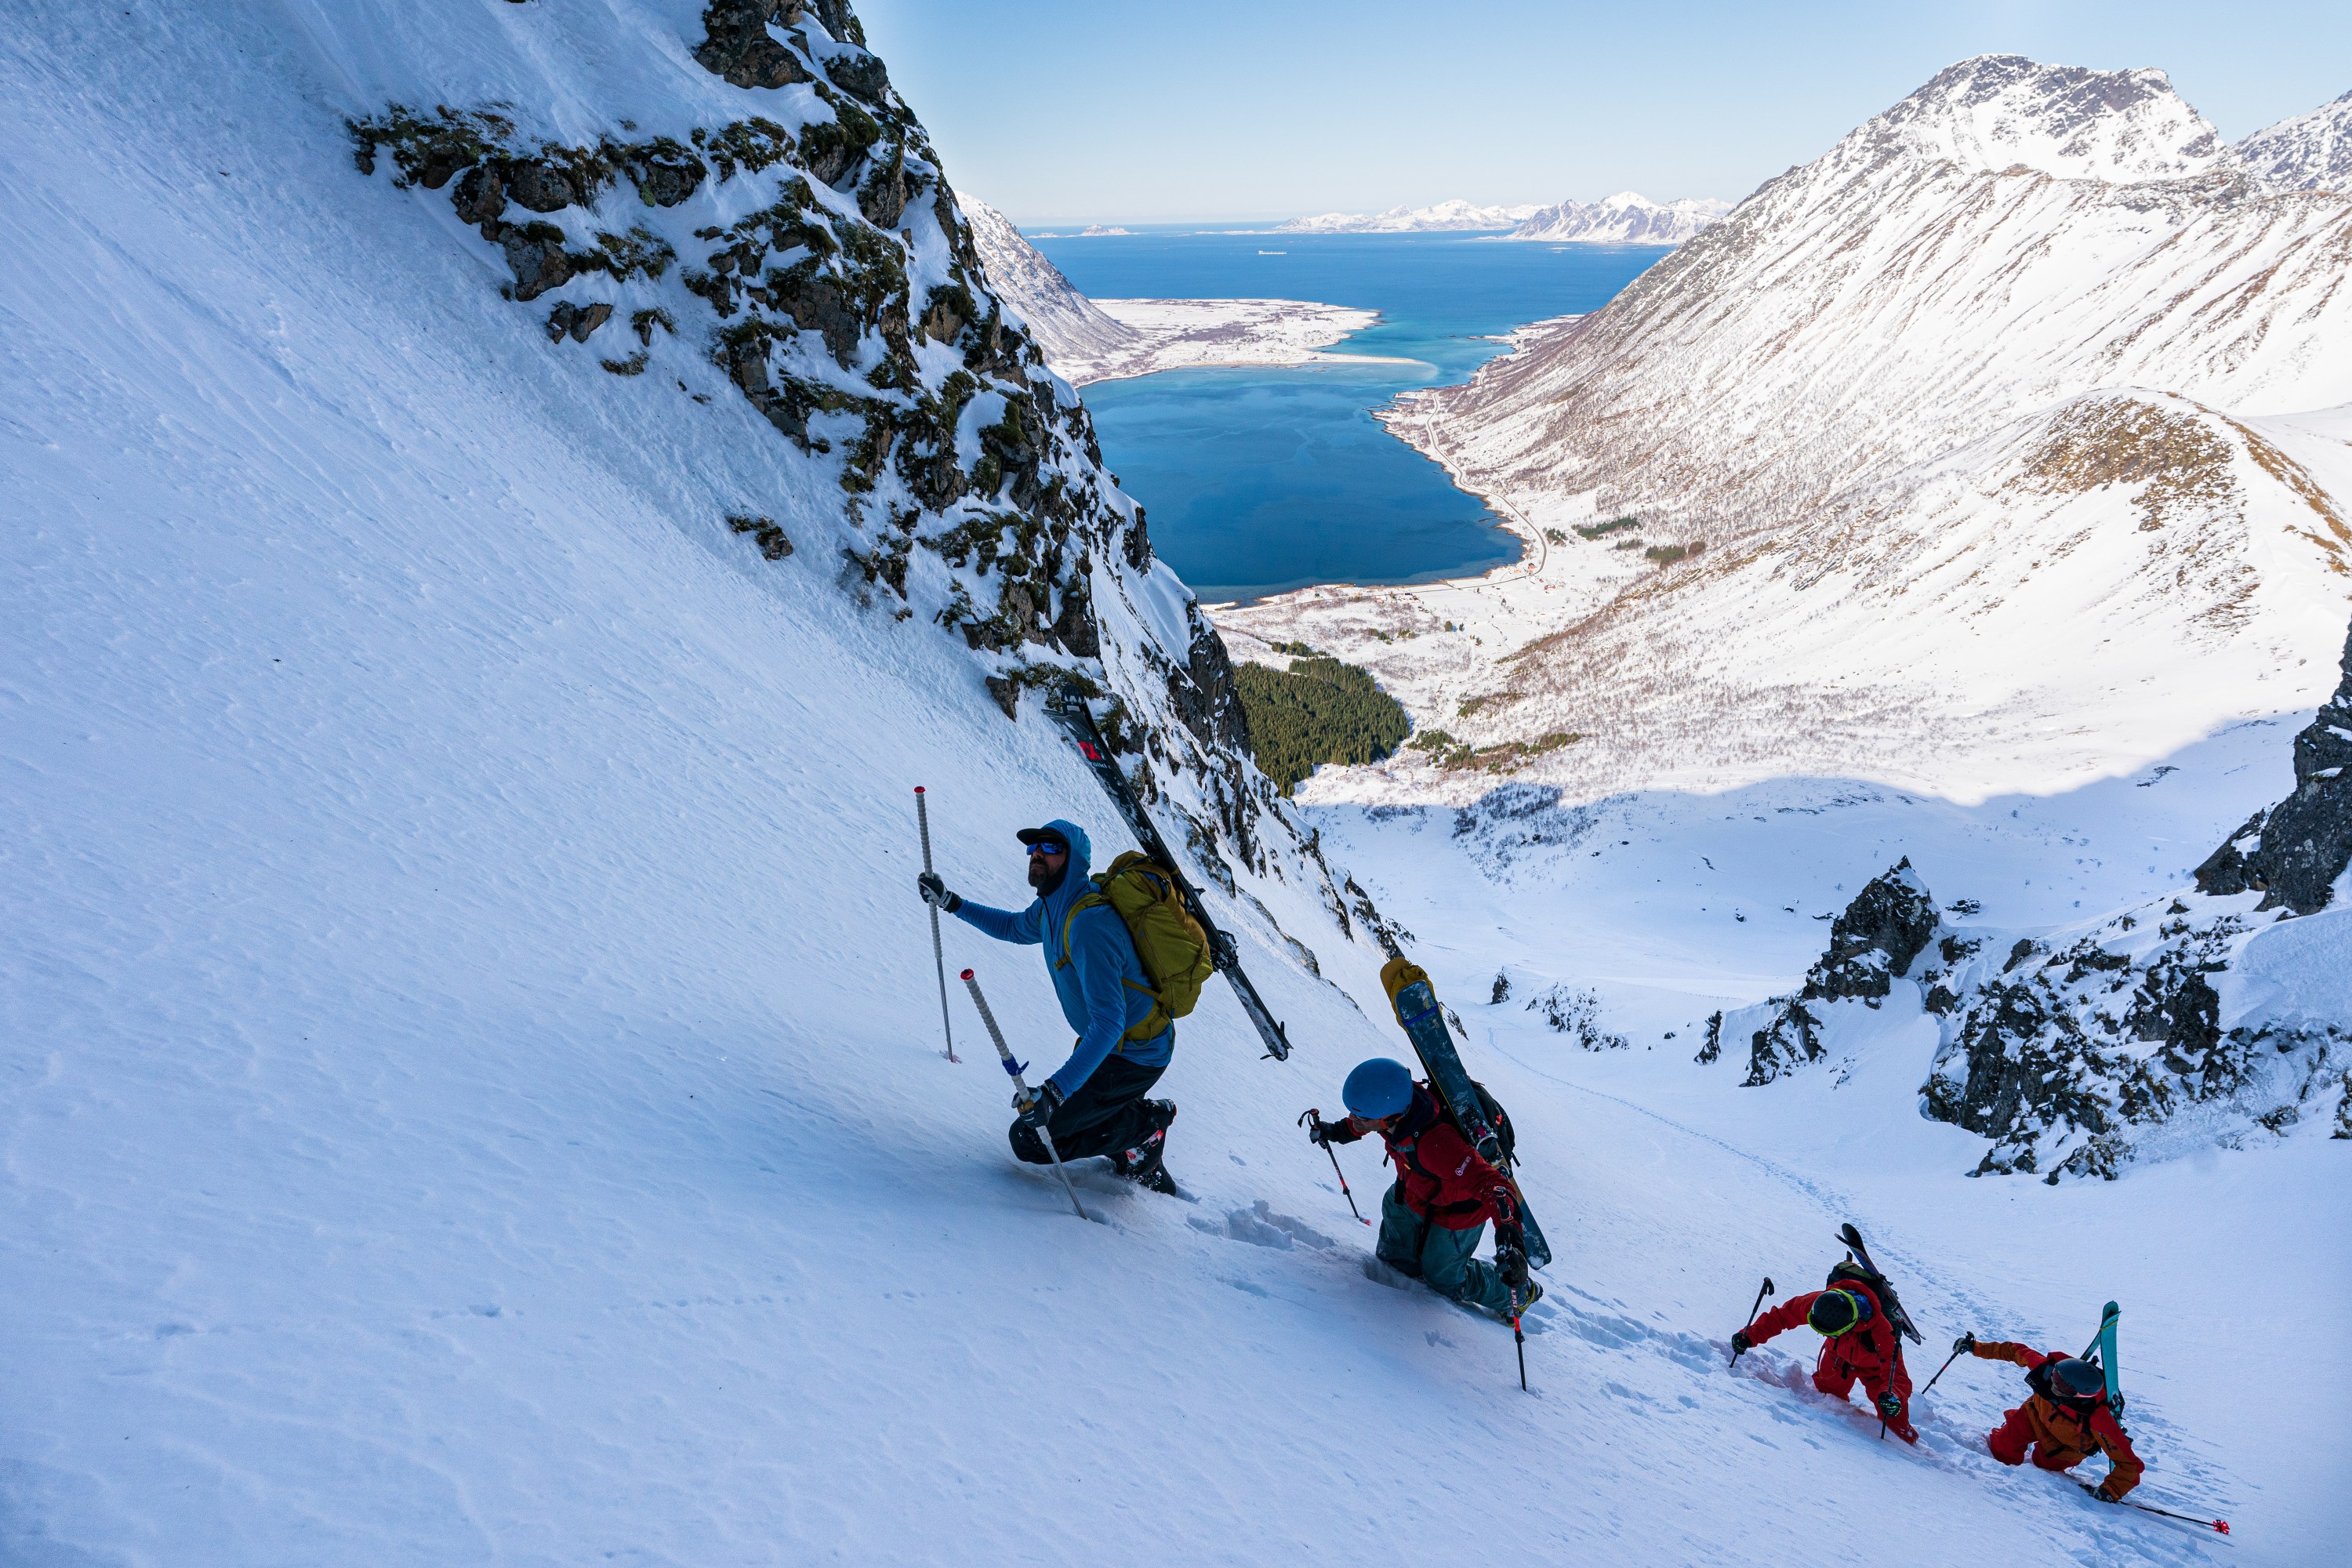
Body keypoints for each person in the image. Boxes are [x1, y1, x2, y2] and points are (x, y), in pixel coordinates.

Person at [919, 818, 1179, 1194]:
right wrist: (951, 903)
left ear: (1072, 860)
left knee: (1032, 1138)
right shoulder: (1050, 911)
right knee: (1063, 1120)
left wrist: (1056, 1093)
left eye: (1051, 848)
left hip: (1136, 1054)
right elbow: (1011, 927)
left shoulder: (1090, 924)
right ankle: (1126, 1135)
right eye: (1034, 847)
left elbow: (1110, 1022)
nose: (1037, 853)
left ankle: (1146, 1128)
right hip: (1109, 1047)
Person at [1307, 1058, 1536, 1319]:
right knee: (1394, 1257)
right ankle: (1416, 1260)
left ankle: (1515, 1294)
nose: (1355, 1119)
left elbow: (1493, 1183)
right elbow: (1361, 1123)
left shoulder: (1437, 1144)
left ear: (1389, 1116)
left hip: (1459, 1211)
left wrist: (1510, 1236)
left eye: (1363, 1116)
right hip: (1413, 1193)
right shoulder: (1397, 1105)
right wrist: (1334, 1131)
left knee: (1442, 1278)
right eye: (1355, 1113)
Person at [1733, 1270, 1918, 1443]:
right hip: (1838, 1358)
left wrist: (1893, 1395)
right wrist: (1749, 1336)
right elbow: (1782, 1317)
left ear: (1849, 1327)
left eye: (1832, 1334)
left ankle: (1908, 1450)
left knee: (1893, 1420)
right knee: (1829, 1399)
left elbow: (1898, 1375)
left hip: (1875, 1370)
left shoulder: (1882, 1331)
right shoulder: (1819, 1303)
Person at [1955, 1334, 2143, 1501]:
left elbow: (2130, 1465)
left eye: (2062, 1387)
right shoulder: (2046, 1370)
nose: (2054, 1386)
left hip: (2065, 1445)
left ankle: (2042, 1455)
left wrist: (2111, 1490)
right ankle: (2010, 1435)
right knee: (2002, 1450)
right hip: (2035, 1415)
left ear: (2079, 1395)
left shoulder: (2098, 1418)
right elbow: (2014, 1350)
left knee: (2043, 1466)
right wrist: (1976, 1347)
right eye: (2056, 1378)